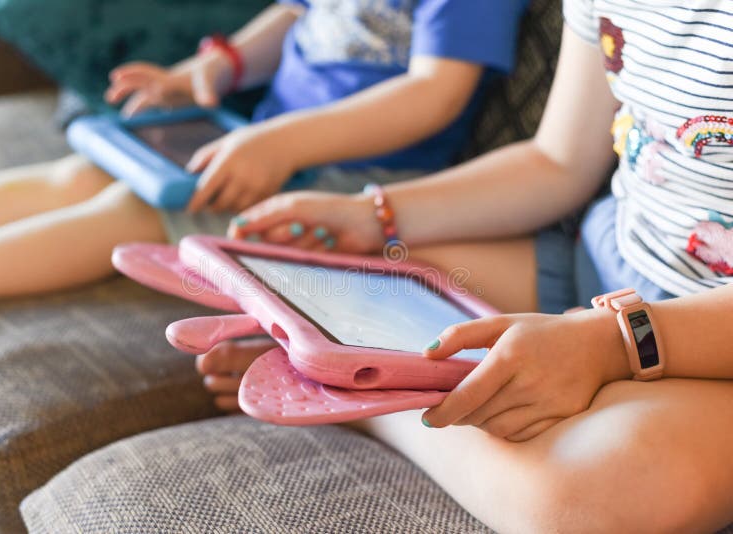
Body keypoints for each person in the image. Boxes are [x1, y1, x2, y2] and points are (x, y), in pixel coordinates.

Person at [196, 1, 733, 530]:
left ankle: (368, 394)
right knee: (341, 275)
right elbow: (557, 161)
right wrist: (375, 215)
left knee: (594, 497)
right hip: (607, 265)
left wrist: (609, 345)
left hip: (711, 337)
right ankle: (352, 361)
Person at [0, 0, 528, 304]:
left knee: (131, 213)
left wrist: (282, 142)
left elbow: (434, 94)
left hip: (353, 183)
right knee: (84, 174)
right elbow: (297, 13)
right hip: (266, 138)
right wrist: (219, 66)